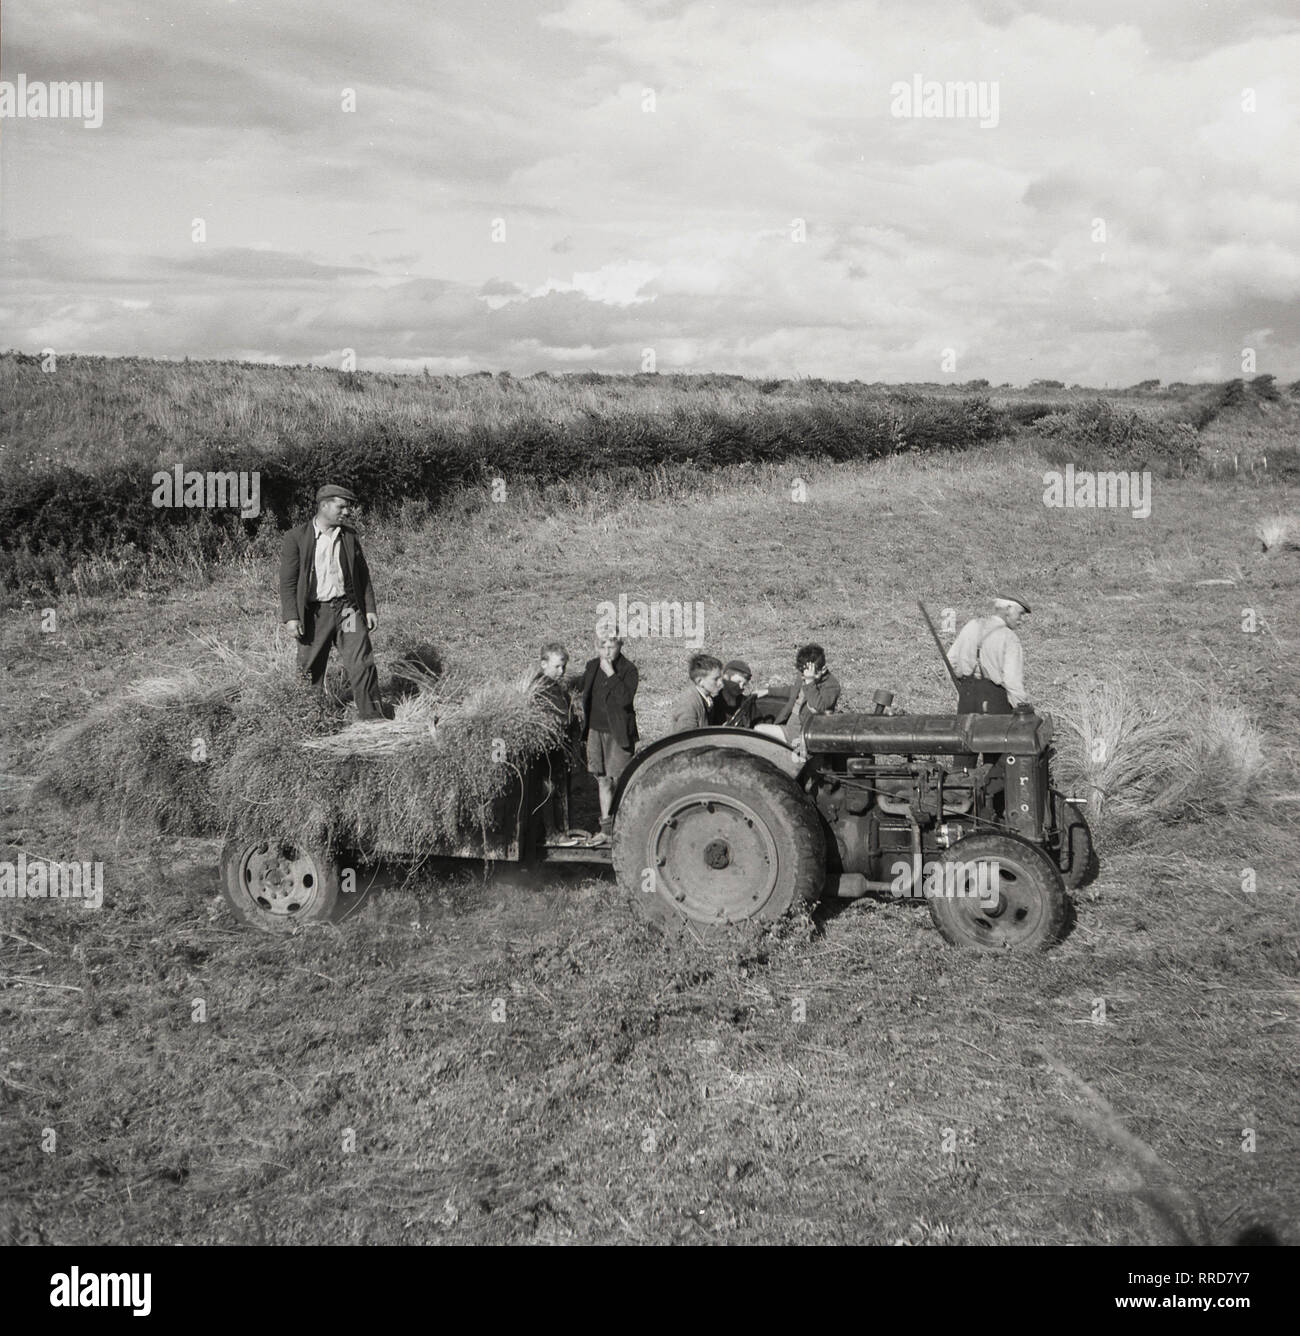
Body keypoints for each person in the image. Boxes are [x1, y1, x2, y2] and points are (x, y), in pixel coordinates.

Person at [279, 483, 385, 719]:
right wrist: (291, 617)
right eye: (342, 506)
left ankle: (374, 719)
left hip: (347, 611)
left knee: (361, 662)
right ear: (324, 505)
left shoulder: (349, 536)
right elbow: (288, 581)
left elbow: (362, 575)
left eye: (347, 507)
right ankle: (310, 720)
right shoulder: (296, 537)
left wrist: (369, 608)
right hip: (315, 614)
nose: (346, 512)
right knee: (310, 669)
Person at [579, 630, 639, 846]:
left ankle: (624, 828)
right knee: (603, 780)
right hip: (596, 731)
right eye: (603, 646)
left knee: (621, 780)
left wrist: (611, 673)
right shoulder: (592, 666)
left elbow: (625, 699)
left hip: (619, 733)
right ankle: (606, 829)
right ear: (597, 647)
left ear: (620, 645)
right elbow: (584, 692)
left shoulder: (628, 670)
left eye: (611, 645)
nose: (607, 650)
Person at [530, 643, 581, 847]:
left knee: (556, 790)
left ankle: (560, 832)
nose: (562, 672)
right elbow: (558, 717)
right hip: (548, 751)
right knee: (549, 790)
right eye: (558, 666)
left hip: (558, 749)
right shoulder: (541, 687)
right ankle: (552, 834)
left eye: (564, 667)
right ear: (544, 664)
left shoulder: (554, 687)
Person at [947, 596, 1031, 714]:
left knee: (965, 732)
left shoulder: (971, 626)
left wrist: (960, 692)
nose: (1021, 620)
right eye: (1020, 613)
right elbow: (1012, 681)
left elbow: (950, 662)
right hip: (995, 703)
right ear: (1008, 609)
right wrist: (1023, 709)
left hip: (966, 699)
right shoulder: (1009, 638)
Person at [756, 644, 841, 744]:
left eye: (812, 673)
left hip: (803, 732)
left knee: (758, 730)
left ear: (823, 669)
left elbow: (819, 707)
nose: (805, 676)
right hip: (789, 721)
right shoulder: (804, 673)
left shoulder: (831, 686)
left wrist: (810, 681)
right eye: (803, 673)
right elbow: (795, 690)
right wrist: (768, 691)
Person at [669, 653, 724, 734]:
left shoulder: (707, 698)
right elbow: (686, 736)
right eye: (715, 679)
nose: (720, 683)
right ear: (700, 681)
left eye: (720, 678)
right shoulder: (688, 703)